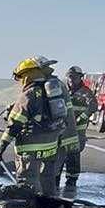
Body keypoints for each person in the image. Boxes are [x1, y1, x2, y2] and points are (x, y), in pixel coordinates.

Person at [0, 58, 65, 194]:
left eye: (22, 77)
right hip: (51, 146)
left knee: (27, 184)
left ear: (28, 75)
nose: (21, 81)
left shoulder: (28, 94)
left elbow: (14, 124)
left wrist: (1, 147)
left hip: (30, 148)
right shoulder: (53, 90)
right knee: (47, 181)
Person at [36, 58, 77, 196]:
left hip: (53, 136)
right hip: (61, 133)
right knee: (52, 170)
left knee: (46, 172)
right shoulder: (58, 85)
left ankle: (47, 202)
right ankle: (52, 198)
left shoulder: (46, 86)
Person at [63, 65, 97, 191]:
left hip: (77, 131)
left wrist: (81, 117)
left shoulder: (85, 92)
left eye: (75, 77)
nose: (72, 79)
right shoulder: (63, 90)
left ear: (80, 77)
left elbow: (93, 106)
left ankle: (71, 181)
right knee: (59, 156)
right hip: (63, 130)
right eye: (70, 77)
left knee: (73, 156)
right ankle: (55, 179)